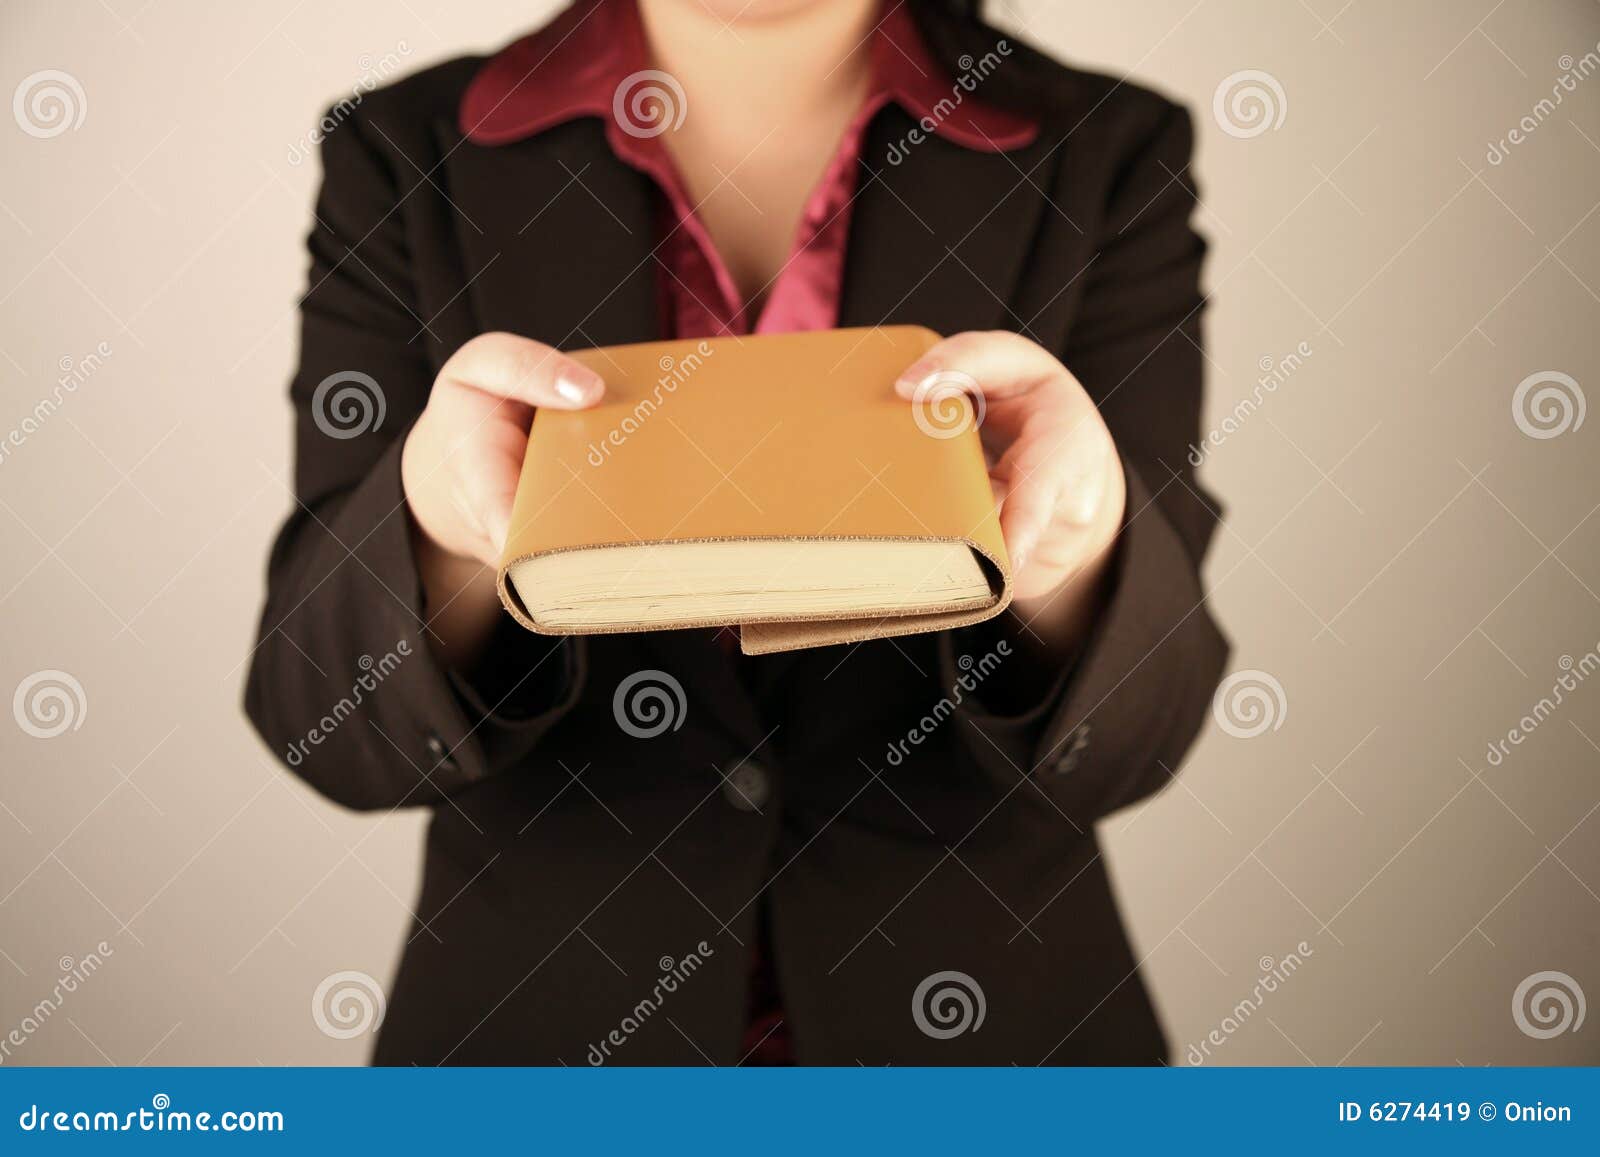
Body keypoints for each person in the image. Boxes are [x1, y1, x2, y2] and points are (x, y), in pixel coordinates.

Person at [245, 0, 1229, 1065]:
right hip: (538, 1037)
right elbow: (323, 721)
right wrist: (437, 535)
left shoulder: (1109, 149)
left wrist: (1075, 557)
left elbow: (1138, 736)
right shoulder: (405, 148)